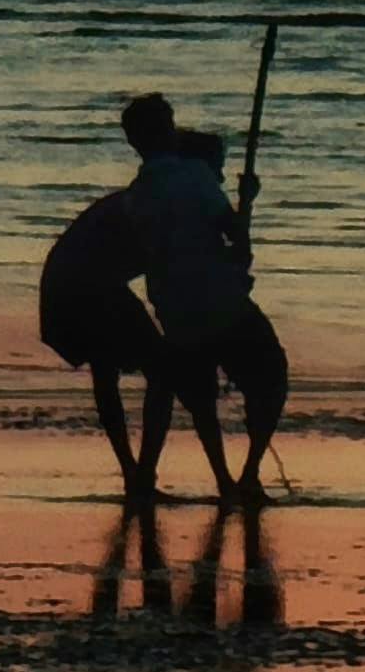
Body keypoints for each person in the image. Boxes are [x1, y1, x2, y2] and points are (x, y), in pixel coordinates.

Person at [123, 91, 289, 500]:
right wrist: (247, 201)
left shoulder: (136, 195)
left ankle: (224, 479)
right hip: (223, 304)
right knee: (271, 377)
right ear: (166, 131)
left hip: (176, 313)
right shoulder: (195, 177)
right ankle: (247, 474)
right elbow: (239, 243)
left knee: (201, 398)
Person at [40, 112, 183, 499]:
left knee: (108, 372)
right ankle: (141, 476)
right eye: (169, 125)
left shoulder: (152, 185)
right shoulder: (159, 188)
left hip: (73, 279)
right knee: (160, 371)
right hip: (85, 282)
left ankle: (135, 474)